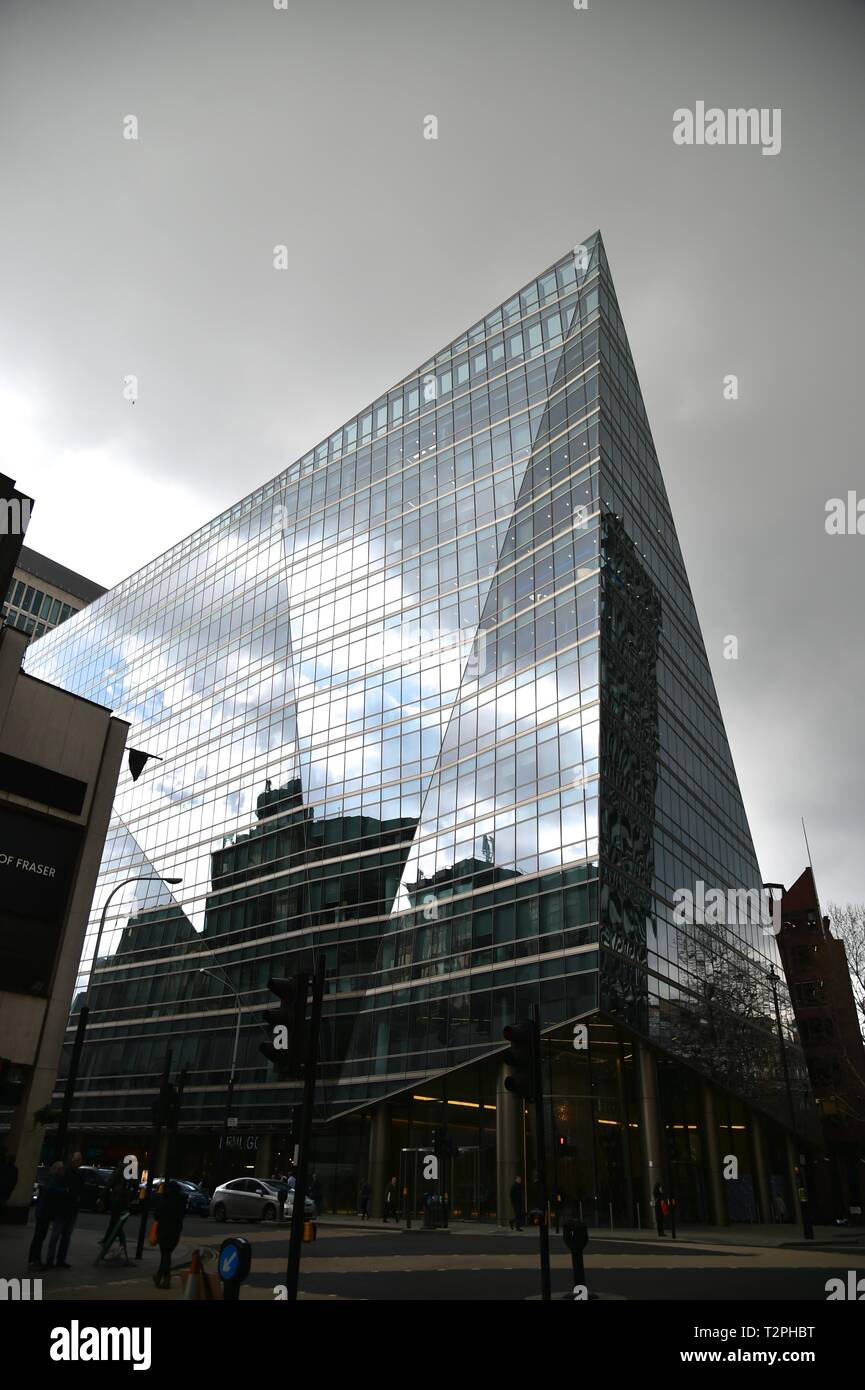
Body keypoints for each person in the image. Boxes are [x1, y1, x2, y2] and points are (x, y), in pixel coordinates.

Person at [48, 1152, 83, 1269]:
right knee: (59, 1235)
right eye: (77, 1160)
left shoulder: (75, 1174)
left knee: (64, 1236)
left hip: (69, 1208)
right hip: (65, 1208)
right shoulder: (67, 1173)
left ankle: (59, 1260)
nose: (79, 1162)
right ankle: (53, 1260)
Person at [28, 1161, 65, 1269]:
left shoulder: (51, 1179)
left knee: (39, 1236)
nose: (63, 1171)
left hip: (43, 1212)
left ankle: (35, 1259)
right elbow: (50, 1193)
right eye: (61, 1169)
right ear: (58, 1170)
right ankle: (34, 1260)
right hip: (44, 1212)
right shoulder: (54, 1180)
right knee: (39, 1236)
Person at [152, 1179, 188, 1289]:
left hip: (164, 1230)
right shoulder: (181, 1201)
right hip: (175, 1231)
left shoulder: (165, 1200)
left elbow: (157, 1215)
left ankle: (165, 1279)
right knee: (166, 1255)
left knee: (165, 1255)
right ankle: (160, 1277)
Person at [99, 1161, 132, 1252]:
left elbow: (109, 1185)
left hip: (116, 1200)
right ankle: (107, 1240)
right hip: (124, 1202)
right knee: (115, 1222)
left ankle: (120, 1241)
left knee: (115, 1222)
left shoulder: (117, 1173)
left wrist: (102, 1197)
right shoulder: (128, 1175)